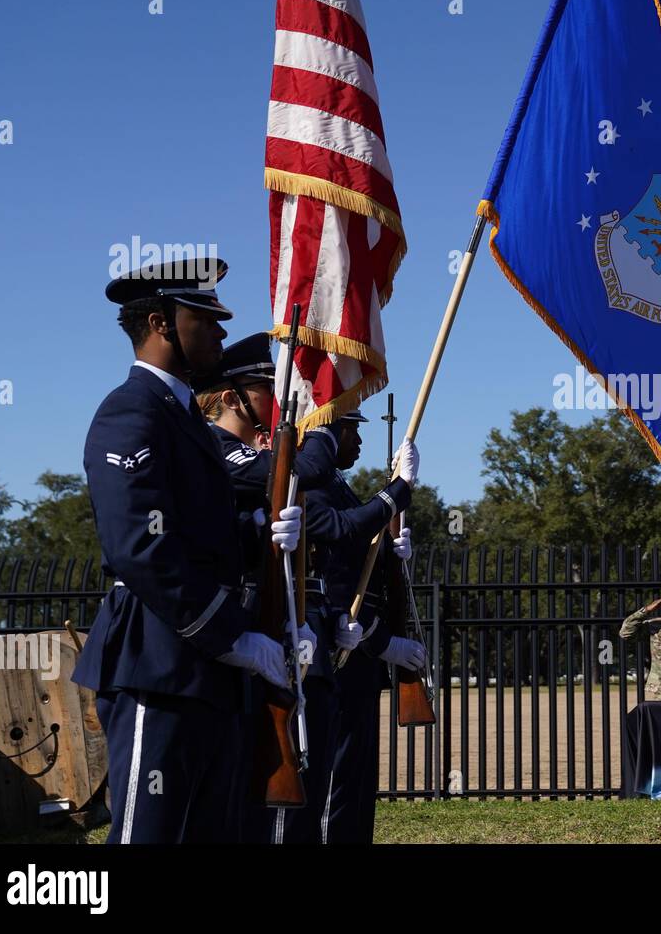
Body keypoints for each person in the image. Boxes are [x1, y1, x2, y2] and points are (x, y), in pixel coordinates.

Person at [73, 258, 302, 843]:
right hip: (160, 661)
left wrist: (257, 530)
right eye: (206, 318)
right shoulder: (130, 411)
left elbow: (198, 531)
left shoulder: (185, 421)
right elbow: (139, 547)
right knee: (149, 834)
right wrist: (230, 635)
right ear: (161, 323)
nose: (221, 332)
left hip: (201, 667)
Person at [194, 333, 341, 843]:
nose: (275, 400)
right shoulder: (216, 447)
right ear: (231, 397)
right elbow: (306, 469)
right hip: (230, 628)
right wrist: (321, 419)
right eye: (263, 388)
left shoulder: (235, 450)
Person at [308, 409, 422, 843]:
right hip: (341, 645)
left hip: (359, 654)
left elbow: (362, 555)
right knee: (336, 777)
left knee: (356, 780)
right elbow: (336, 563)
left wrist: (392, 550)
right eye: (351, 428)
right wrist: (398, 489)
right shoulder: (314, 485)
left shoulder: (338, 485)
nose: (356, 440)